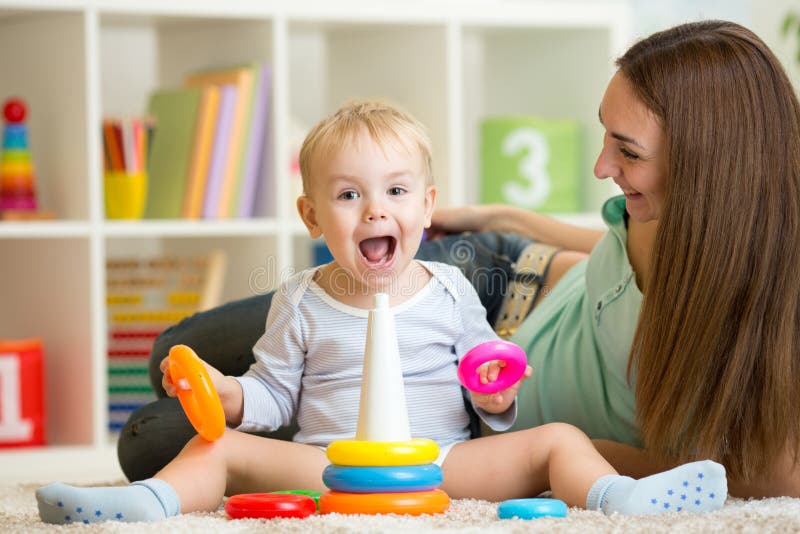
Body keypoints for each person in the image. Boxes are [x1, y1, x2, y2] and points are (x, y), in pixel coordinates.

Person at [109, 19, 798, 499]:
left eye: (628, 151)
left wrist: (580, 457)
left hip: (458, 408)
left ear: (709, 170)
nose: (600, 167)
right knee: (173, 353)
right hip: (484, 281)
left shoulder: (763, 304)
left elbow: (773, 475)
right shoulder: (648, 213)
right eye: (605, 137)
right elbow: (607, 255)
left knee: (152, 438)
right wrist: (503, 219)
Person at [36, 101, 725, 524]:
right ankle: (144, 506)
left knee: (559, 440)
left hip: (441, 464)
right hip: (329, 465)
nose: (375, 211)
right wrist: (232, 396)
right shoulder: (300, 299)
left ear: (427, 207)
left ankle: (617, 499)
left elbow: (483, 384)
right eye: (348, 196)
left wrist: (496, 395)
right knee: (215, 446)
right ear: (311, 216)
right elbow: (275, 393)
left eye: (396, 191)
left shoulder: (451, 289)